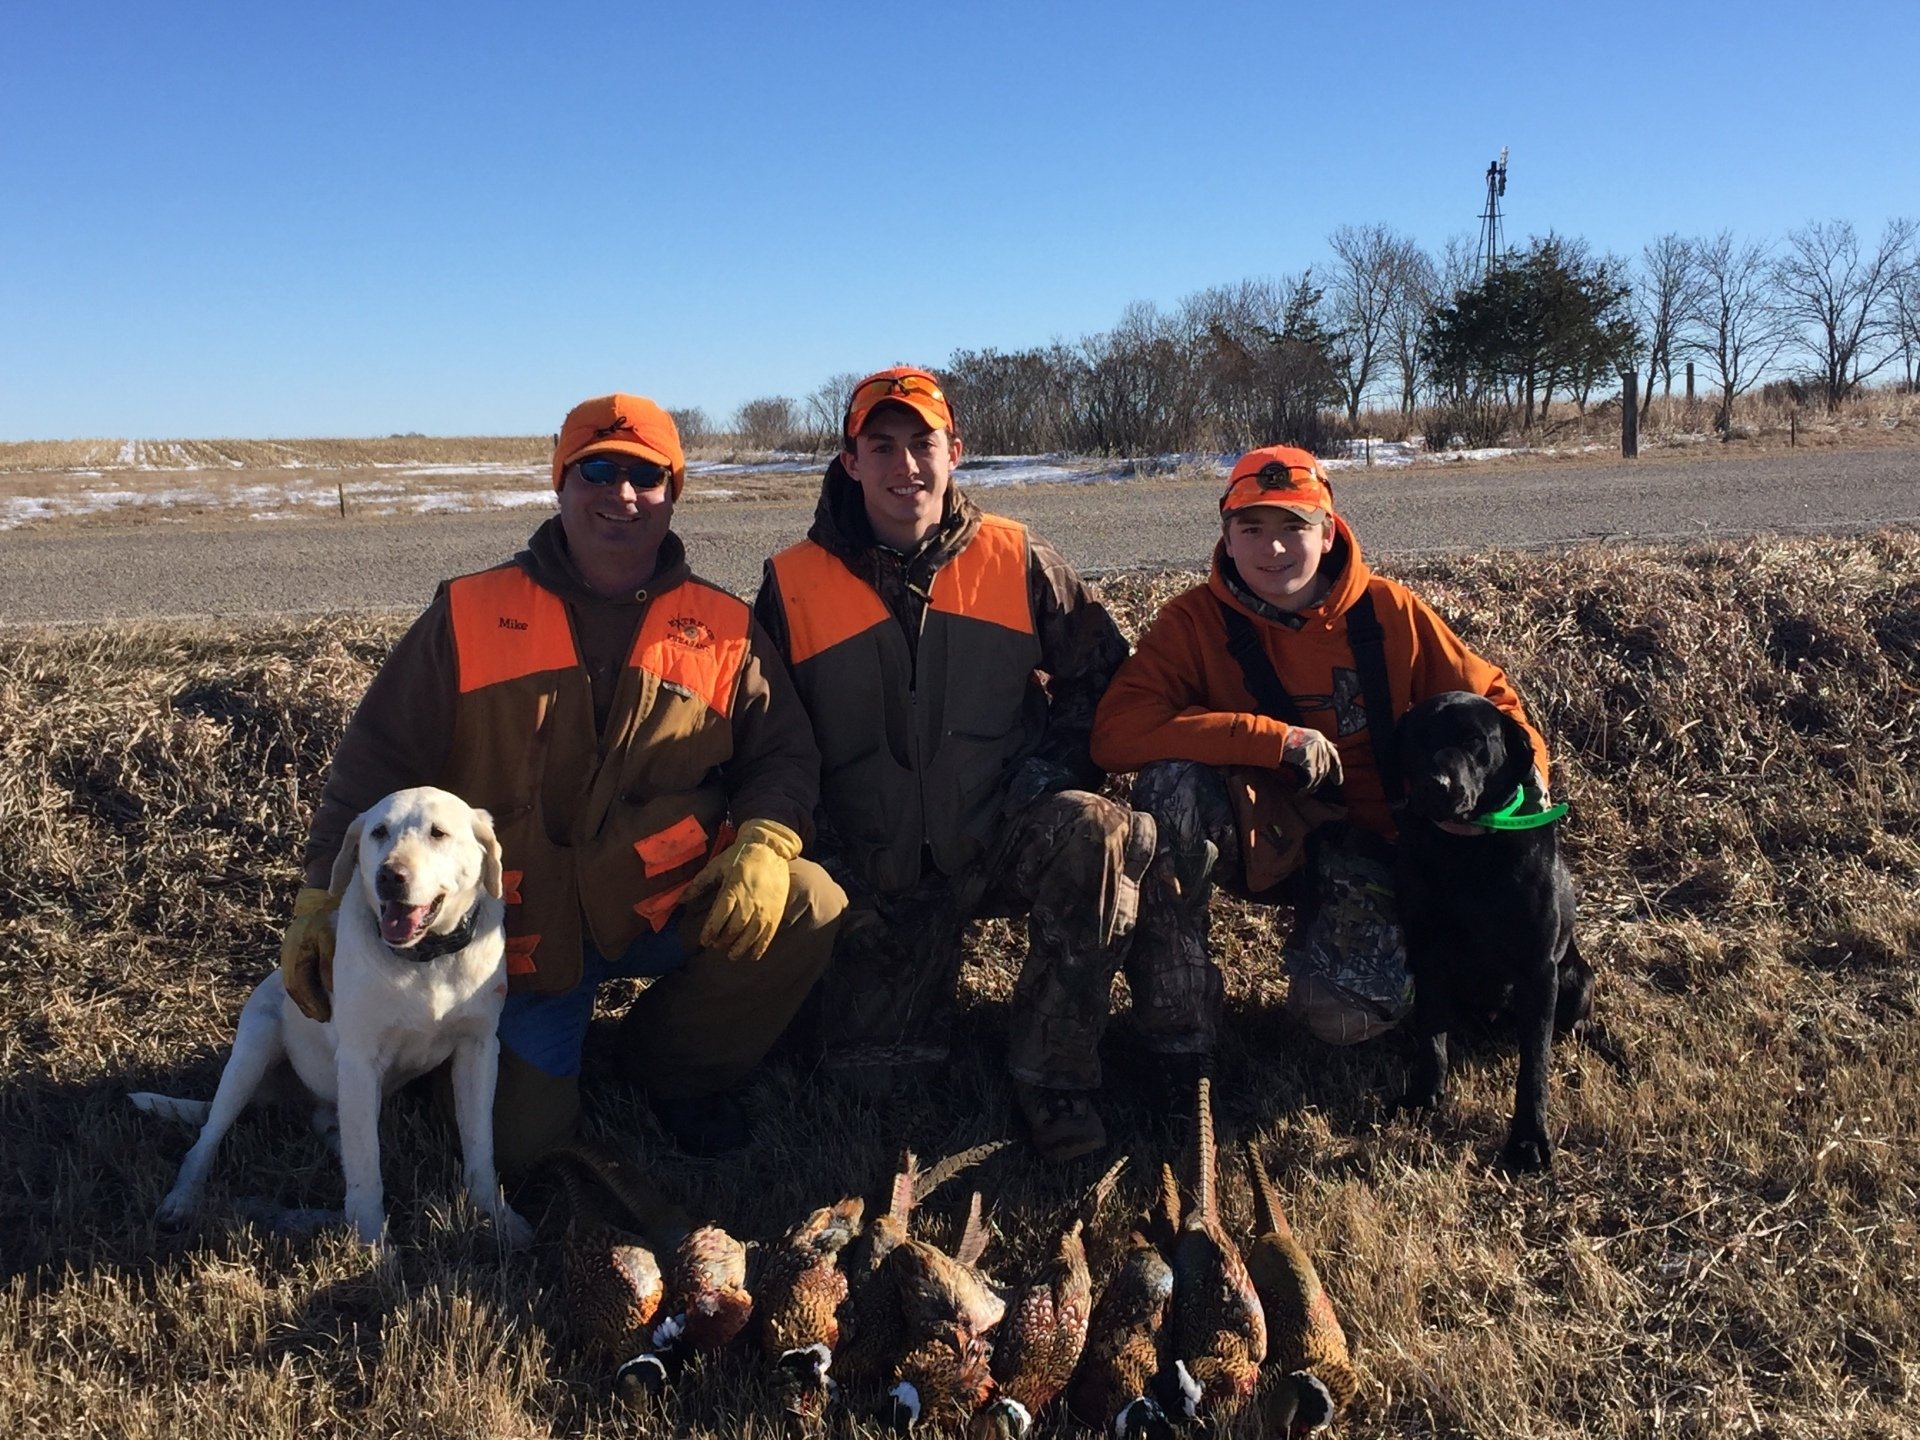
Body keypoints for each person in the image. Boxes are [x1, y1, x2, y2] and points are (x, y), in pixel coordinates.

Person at [278, 393, 847, 1162]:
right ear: (561, 482)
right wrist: (322, 892)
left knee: (808, 901)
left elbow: (783, 753)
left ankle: (672, 1069)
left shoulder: (723, 626)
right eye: (598, 470)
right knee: (519, 1150)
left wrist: (766, 838)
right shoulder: (468, 614)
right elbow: (373, 765)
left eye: (646, 476)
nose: (622, 494)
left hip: (663, 907)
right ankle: (528, 1063)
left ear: (673, 492)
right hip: (523, 942)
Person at [753, 366, 1156, 1162]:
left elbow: (1105, 678)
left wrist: (1051, 771)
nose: (906, 466)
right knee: (871, 1083)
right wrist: (830, 856)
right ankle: (893, 976)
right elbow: (771, 739)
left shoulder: (1018, 556)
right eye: (884, 446)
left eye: (923, 444)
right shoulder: (791, 583)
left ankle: (1053, 1071)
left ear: (955, 453)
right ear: (850, 460)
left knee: (1097, 832)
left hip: (1001, 834)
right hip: (871, 866)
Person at [1091, 444, 1552, 1048]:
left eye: (1294, 527)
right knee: (1170, 780)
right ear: (1227, 538)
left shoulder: (1390, 611)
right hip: (1271, 836)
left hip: (1389, 845)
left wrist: (1523, 781)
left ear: (1328, 531)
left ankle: (1400, 956)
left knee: (1345, 1018)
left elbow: (1494, 705)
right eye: (1251, 528)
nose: (1272, 549)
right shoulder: (1193, 623)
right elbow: (1114, 733)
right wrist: (1266, 738)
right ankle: (1178, 1018)